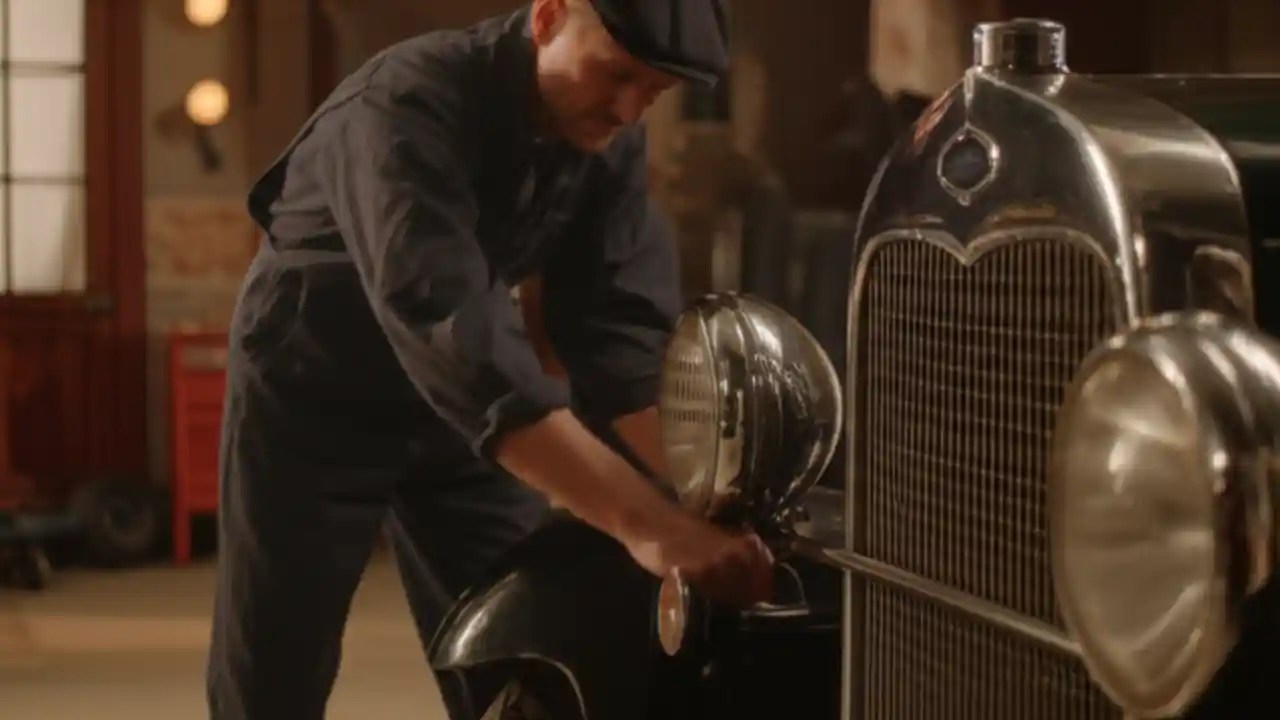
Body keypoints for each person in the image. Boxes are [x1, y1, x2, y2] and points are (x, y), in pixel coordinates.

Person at [206, 1, 775, 718]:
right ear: (549, 16)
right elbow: (455, 333)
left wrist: (703, 498)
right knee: (277, 664)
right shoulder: (404, 103)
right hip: (314, 388)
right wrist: (651, 527)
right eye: (616, 75)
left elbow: (620, 340)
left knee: (524, 636)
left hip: (459, 408)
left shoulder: (608, 138)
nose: (629, 110)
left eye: (654, 92)